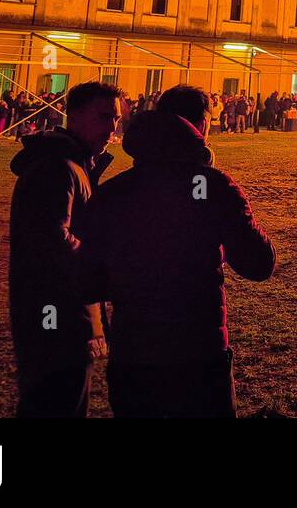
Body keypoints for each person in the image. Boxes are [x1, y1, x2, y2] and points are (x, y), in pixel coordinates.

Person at [80, 84, 276, 417]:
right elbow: (259, 263)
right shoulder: (213, 186)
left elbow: (90, 280)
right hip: (198, 354)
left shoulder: (115, 192)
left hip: (134, 355)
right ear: (201, 124)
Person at [8, 80, 121, 417]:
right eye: (104, 117)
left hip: (62, 310)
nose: (113, 127)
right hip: (56, 313)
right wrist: (99, 271)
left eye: (116, 119)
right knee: (56, 400)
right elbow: (53, 237)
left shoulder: (73, 164)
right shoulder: (57, 167)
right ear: (75, 116)